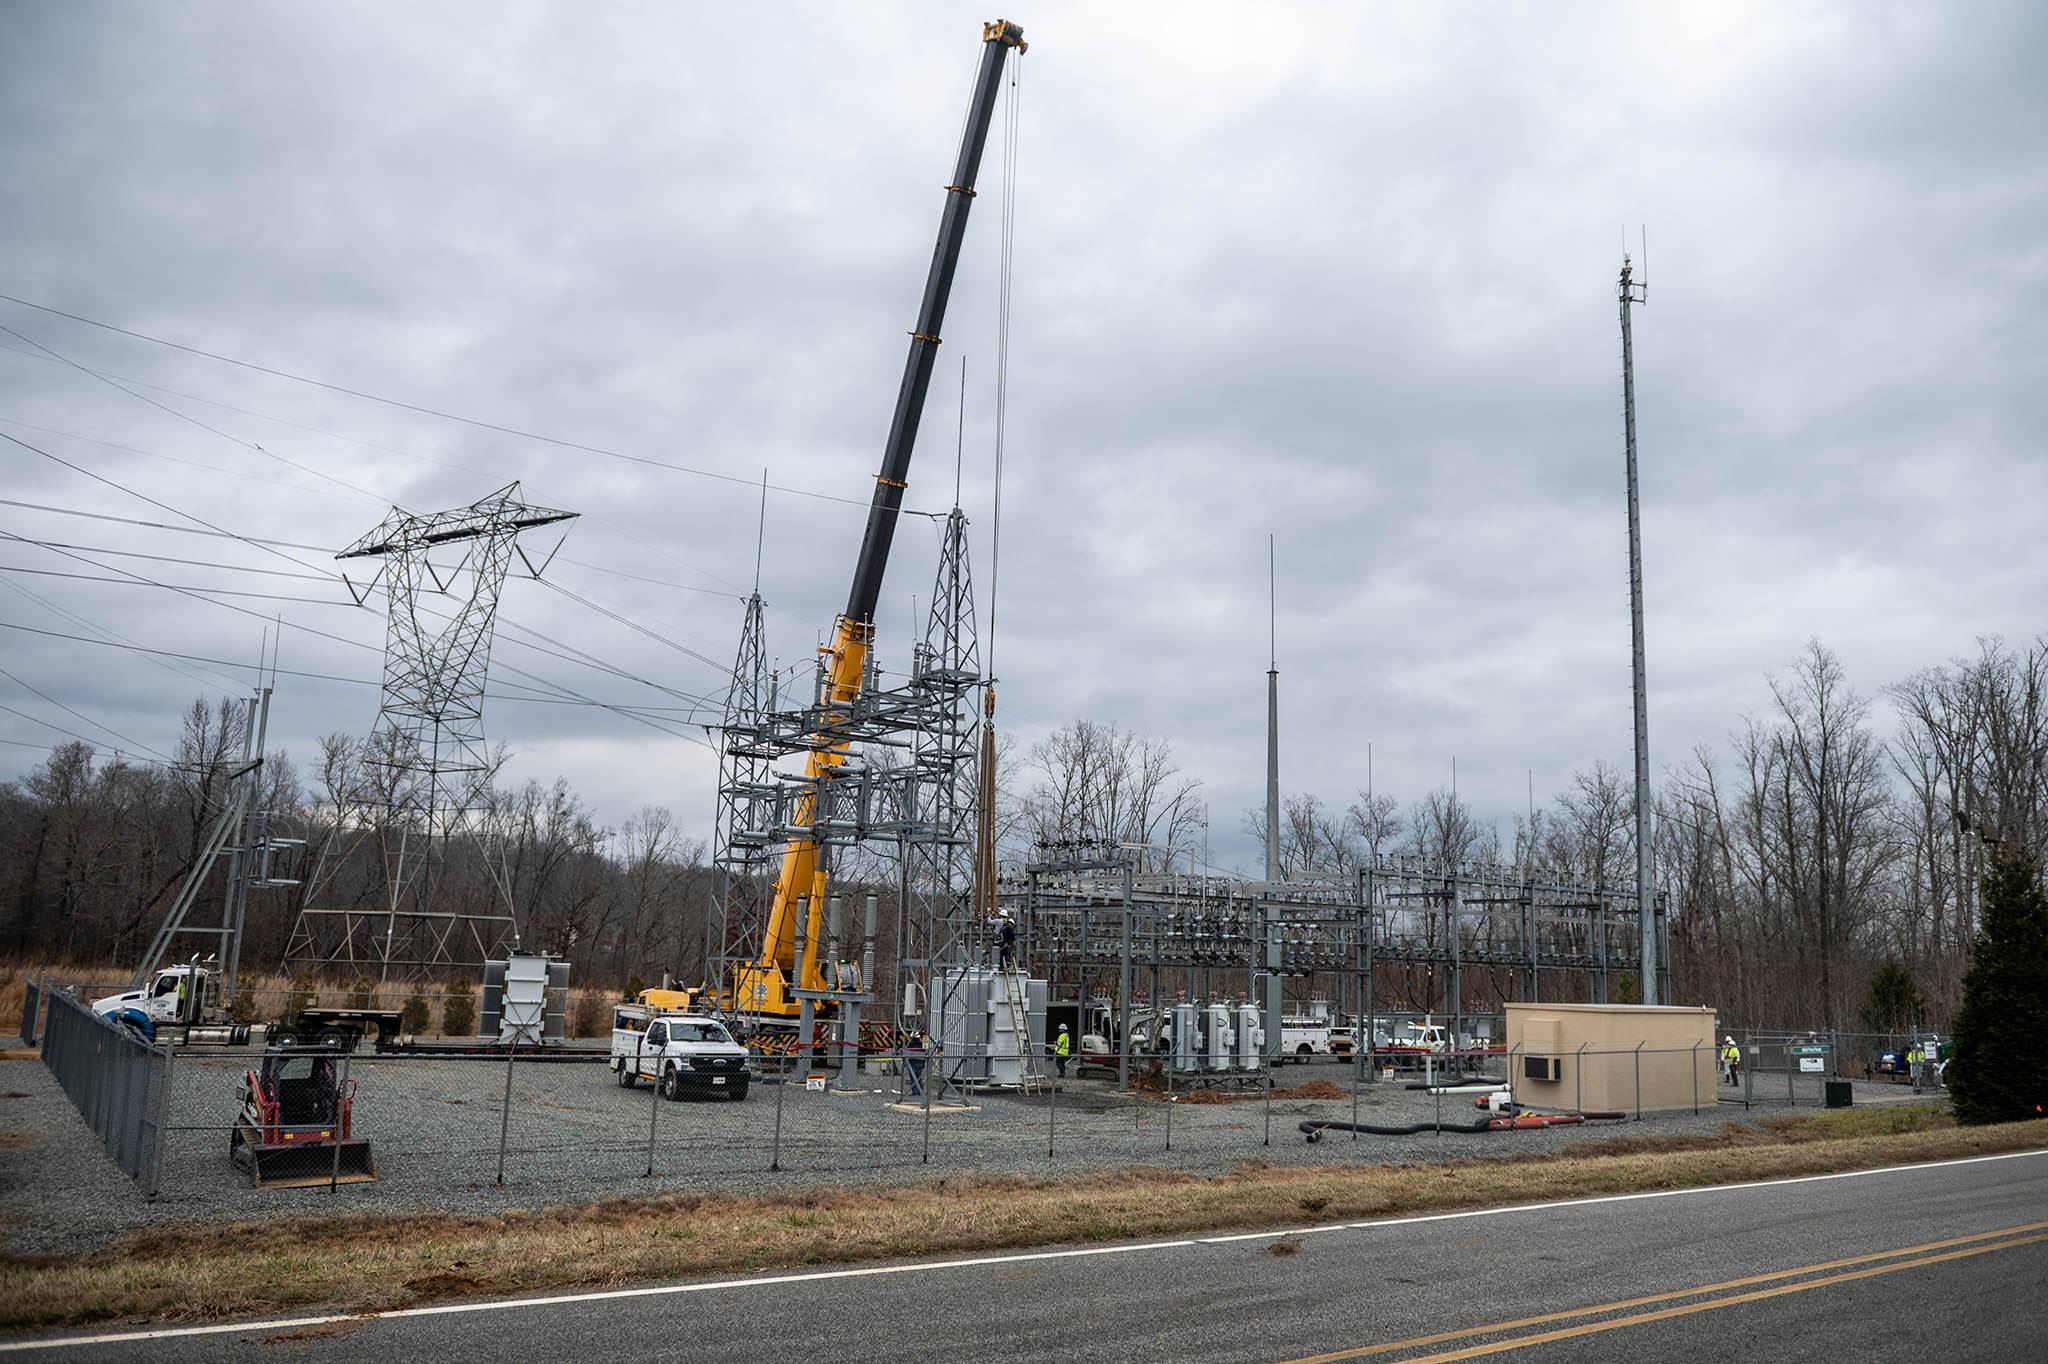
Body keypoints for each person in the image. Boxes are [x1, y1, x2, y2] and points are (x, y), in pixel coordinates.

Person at [904, 1029, 928, 1098]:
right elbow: (926, 1049)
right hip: (920, 1060)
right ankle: (920, 1091)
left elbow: (906, 1049)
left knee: (914, 1077)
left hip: (913, 1060)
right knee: (919, 1076)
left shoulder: (910, 1042)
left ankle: (915, 1092)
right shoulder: (924, 1039)